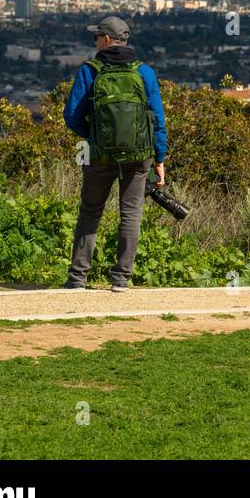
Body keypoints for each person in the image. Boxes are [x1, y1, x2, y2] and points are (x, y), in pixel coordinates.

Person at [62, 15, 168, 292]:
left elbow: (72, 116)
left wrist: (95, 136)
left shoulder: (91, 69)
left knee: (90, 212)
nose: (95, 41)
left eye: (96, 37)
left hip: (100, 155)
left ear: (107, 39)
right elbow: (157, 118)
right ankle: (121, 279)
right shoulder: (144, 72)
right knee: (131, 213)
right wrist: (160, 158)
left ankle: (78, 278)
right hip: (139, 153)